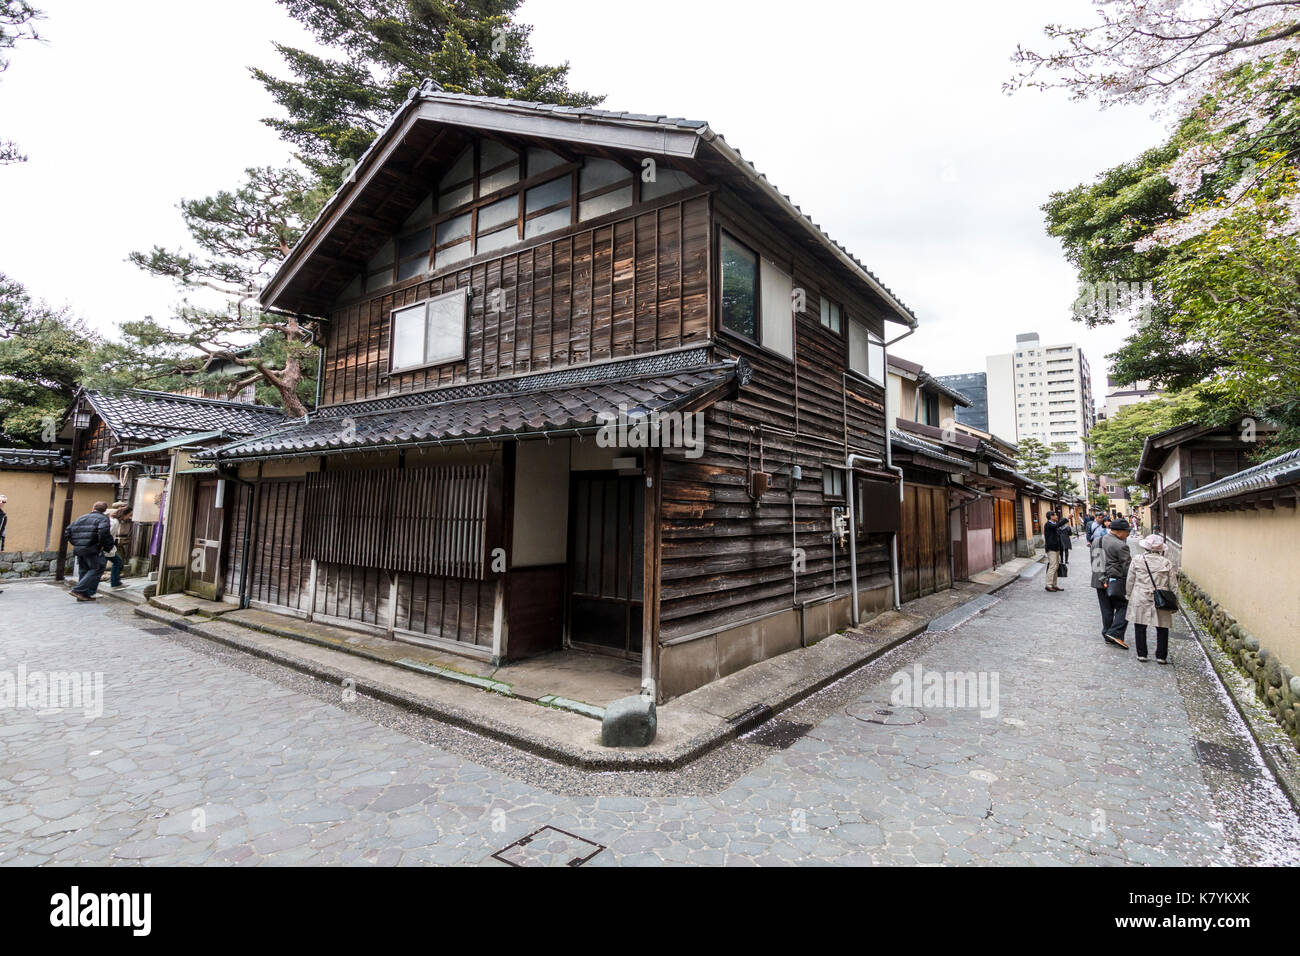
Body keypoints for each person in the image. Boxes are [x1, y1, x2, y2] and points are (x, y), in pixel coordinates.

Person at [1127, 533, 1175, 664]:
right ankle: (1161, 656)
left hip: (1141, 594)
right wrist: (1174, 602)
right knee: (1162, 627)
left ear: (1146, 548)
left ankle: (1142, 653)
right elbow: (1173, 585)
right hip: (1161, 596)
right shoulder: (1166, 563)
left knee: (1140, 625)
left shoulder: (1137, 560)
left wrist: (1129, 594)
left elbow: (1130, 580)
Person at [64, 501, 114, 602]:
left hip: (79, 548)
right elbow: (103, 533)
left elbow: (67, 531)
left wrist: (76, 543)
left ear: (93, 508)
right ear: (104, 510)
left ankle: (83, 595)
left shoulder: (81, 517)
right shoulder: (104, 519)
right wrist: (105, 546)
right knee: (98, 568)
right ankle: (78, 590)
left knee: (84, 570)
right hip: (93, 548)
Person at [1101, 517, 1133, 648]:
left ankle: (1108, 633)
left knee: (1107, 609)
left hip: (1102, 578)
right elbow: (1128, 567)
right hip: (1116, 579)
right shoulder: (1121, 545)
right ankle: (1114, 633)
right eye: (1127, 531)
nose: (1128, 534)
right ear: (1120, 532)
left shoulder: (1101, 540)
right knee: (1124, 606)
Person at [107, 502, 133, 589]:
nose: (129, 517)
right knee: (117, 562)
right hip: (105, 547)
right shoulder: (114, 522)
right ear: (124, 514)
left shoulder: (114, 520)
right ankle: (115, 582)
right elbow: (107, 534)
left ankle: (115, 582)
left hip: (107, 546)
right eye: (129, 515)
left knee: (118, 562)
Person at [1043, 510, 1067, 592]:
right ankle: (1048, 585)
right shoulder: (1048, 525)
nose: (1057, 516)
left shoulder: (1054, 525)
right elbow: (1057, 526)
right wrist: (1067, 518)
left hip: (1056, 548)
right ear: (1051, 517)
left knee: (1056, 566)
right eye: (1055, 515)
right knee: (1053, 566)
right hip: (1051, 548)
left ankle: (1054, 584)